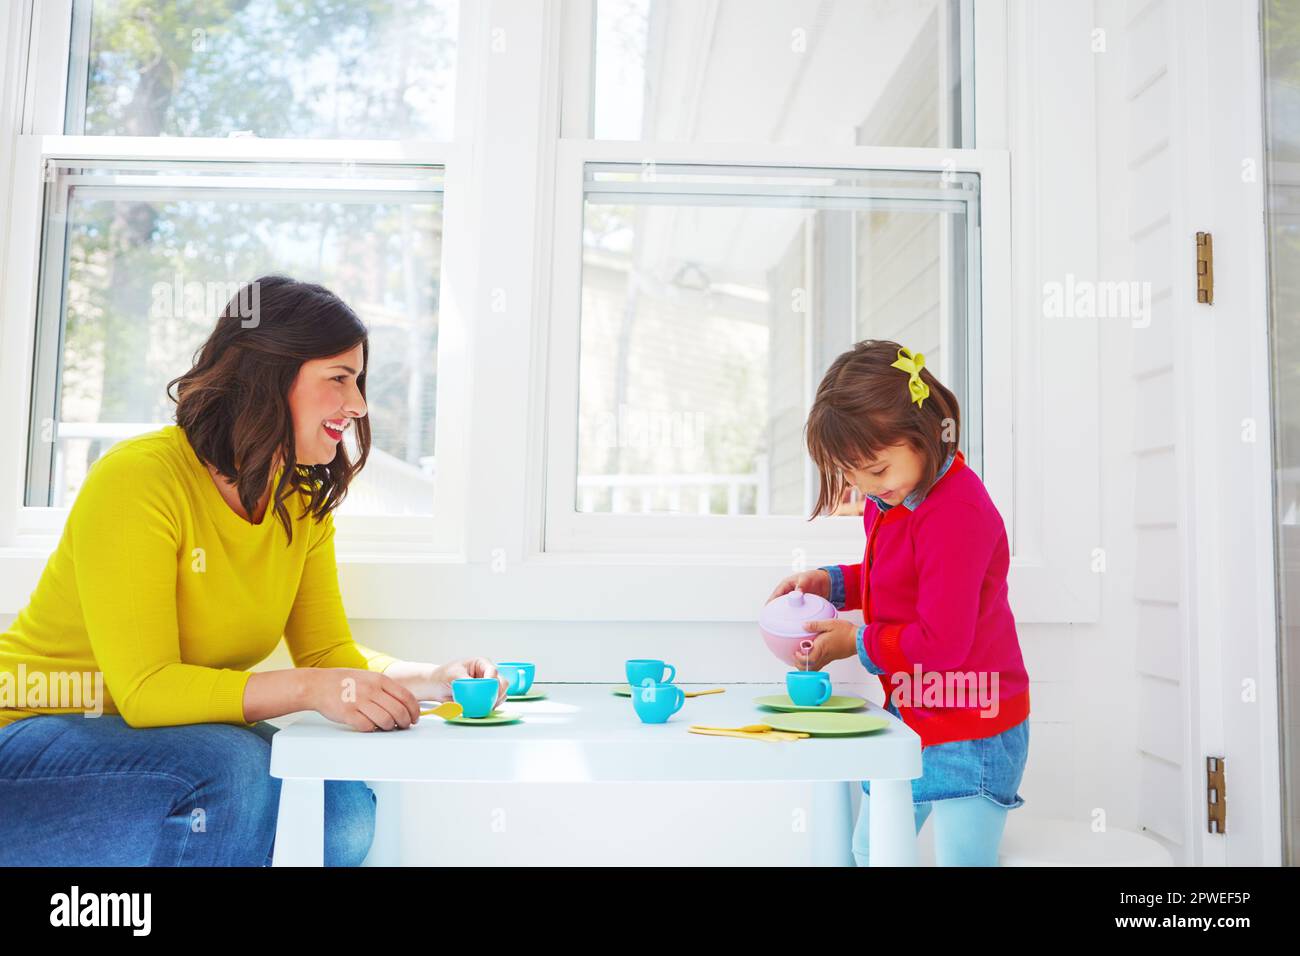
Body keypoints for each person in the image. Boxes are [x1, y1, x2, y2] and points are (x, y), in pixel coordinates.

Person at [0, 275, 508, 866]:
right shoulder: (139, 481)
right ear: (269, 378)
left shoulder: (296, 501)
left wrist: (431, 679)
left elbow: (326, 656)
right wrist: (310, 692)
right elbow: (144, 691)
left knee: (335, 803)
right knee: (233, 771)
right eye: (339, 378)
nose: (360, 404)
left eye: (359, 381)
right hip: (28, 735)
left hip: (159, 750)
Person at [768, 340, 1030, 866]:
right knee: (871, 851)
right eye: (852, 476)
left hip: (972, 723)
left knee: (963, 861)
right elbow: (901, 579)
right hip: (913, 712)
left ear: (926, 433)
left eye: (876, 470)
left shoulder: (957, 513)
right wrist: (833, 583)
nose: (867, 488)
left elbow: (944, 642)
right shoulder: (893, 498)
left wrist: (853, 642)